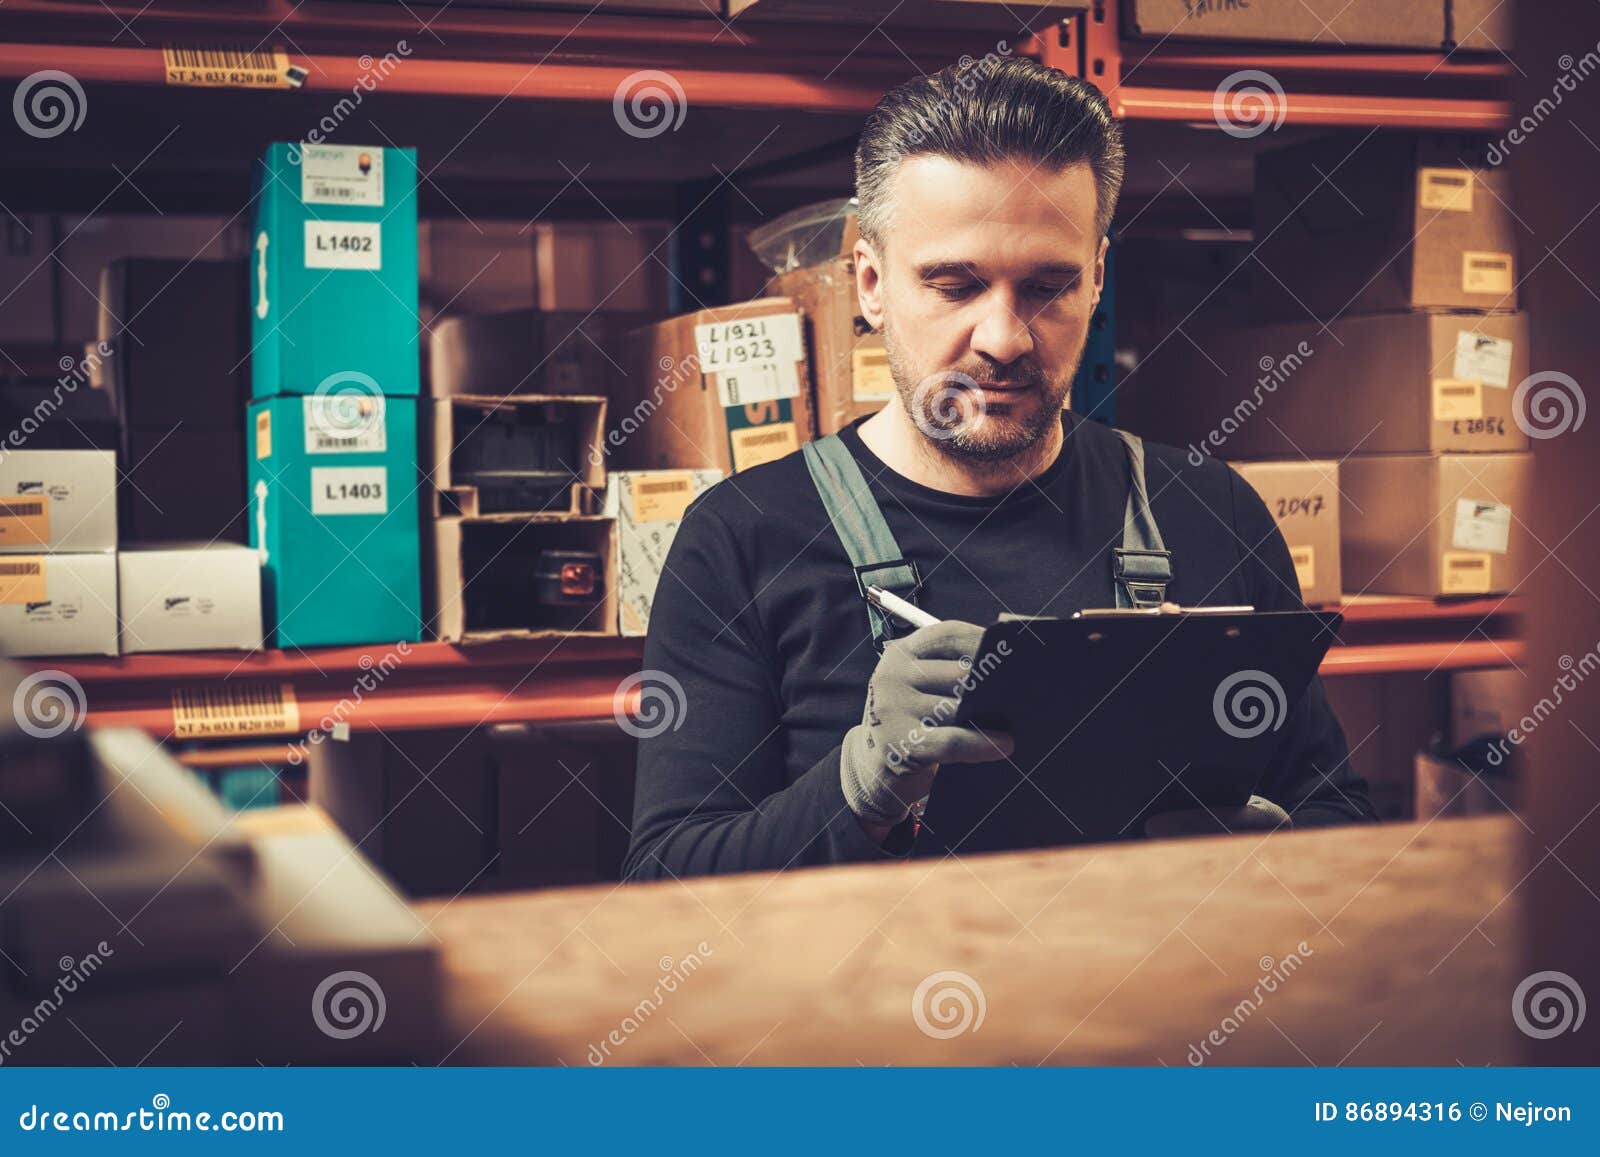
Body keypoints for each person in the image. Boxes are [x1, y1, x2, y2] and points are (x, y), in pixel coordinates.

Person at [624, 57, 1375, 881]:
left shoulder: (1209, 513)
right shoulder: (741, 539)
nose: (1005, 339)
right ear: (870, 285)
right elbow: (666, 884)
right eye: (956, 285)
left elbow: (1336, 812)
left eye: (1048, 286)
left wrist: (1275, 863)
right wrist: (857, 791)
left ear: (1097, 277)